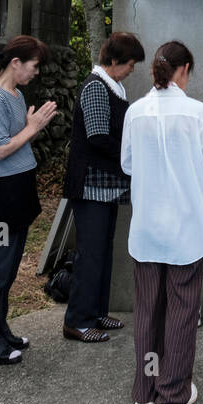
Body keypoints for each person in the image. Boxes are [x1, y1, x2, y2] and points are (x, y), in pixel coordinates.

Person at [121, 40, 203, 404]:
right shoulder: (197, 113)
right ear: (183, 71)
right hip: (185, 229)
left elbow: (127, 165)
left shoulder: (135, 112)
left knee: (148, 308)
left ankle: (144, 393)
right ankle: (172, 393)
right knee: (182, 310)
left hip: (147, 228)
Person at [0, 35, 57, 365]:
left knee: (7, 269)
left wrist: (31, 123)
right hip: (0, 190)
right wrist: (32, 127)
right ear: (15, 63)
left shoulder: (16, 94)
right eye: (33, 67)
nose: (36, 73)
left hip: (17, 186)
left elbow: (15, 138)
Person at [62, 31, 145, 343]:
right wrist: (130, 159)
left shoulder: (114, 87)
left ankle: (96, 312)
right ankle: (77, 321)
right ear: (113, 61)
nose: (131, 69)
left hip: (107, 185)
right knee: (90, 254)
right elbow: (98, 137)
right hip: (91, 184)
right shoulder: (96, 87)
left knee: (103, 252)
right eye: (130, 64)